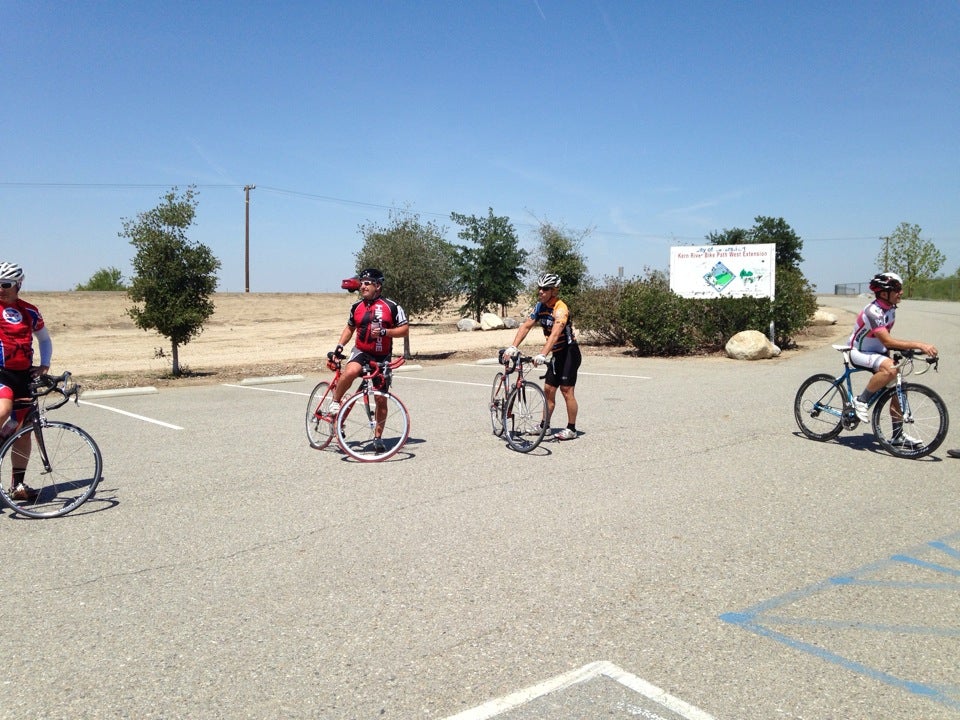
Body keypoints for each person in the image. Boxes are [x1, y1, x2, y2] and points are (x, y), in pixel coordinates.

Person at [846, 271, 938, 449]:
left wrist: (904, 351)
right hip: (858, 351)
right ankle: (861, 400)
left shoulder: (890, 310)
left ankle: (897, 436)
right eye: (897, 289)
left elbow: (886, 341)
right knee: (890, 370)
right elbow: (887, 340)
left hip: (877, 353)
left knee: (900, 386)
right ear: (883, 293)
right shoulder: (873, 311)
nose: (901, 292)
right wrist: (919, 344)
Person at [327, 268, 409, 452]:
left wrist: (384, 332)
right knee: (350, 372)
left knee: (381, 399)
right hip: (361, 351)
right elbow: (349, 329)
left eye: (367, 283)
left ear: (377, 286)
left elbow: (404, 330)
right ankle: (335, 402)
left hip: (382, 356)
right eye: (361, 283)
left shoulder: (392, 306)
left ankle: (378, 438)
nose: (362, 286)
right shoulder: (356, 307)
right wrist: (339, 347)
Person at [503, 273, 582, 440]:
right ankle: (544, 426)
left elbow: (554, 334)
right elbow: (526, 326)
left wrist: (542, 354)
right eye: (539, 288)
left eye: (545, 289)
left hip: (569, 352)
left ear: (554, 291)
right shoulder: (540, 306)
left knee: (566, 390)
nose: (540, 291)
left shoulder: (560, 309)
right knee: (548, 390)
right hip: (556, 353)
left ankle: (571, 429)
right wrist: (513, 346)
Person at [0, 262, 52, 501]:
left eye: (6, 285)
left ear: (18, 284)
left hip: (23, 375)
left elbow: (44, 338)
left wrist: (45, 364)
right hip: (1, 373)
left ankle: (17, 486)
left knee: (22, 433)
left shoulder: (30, 311)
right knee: (3, 409)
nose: (1, 289)